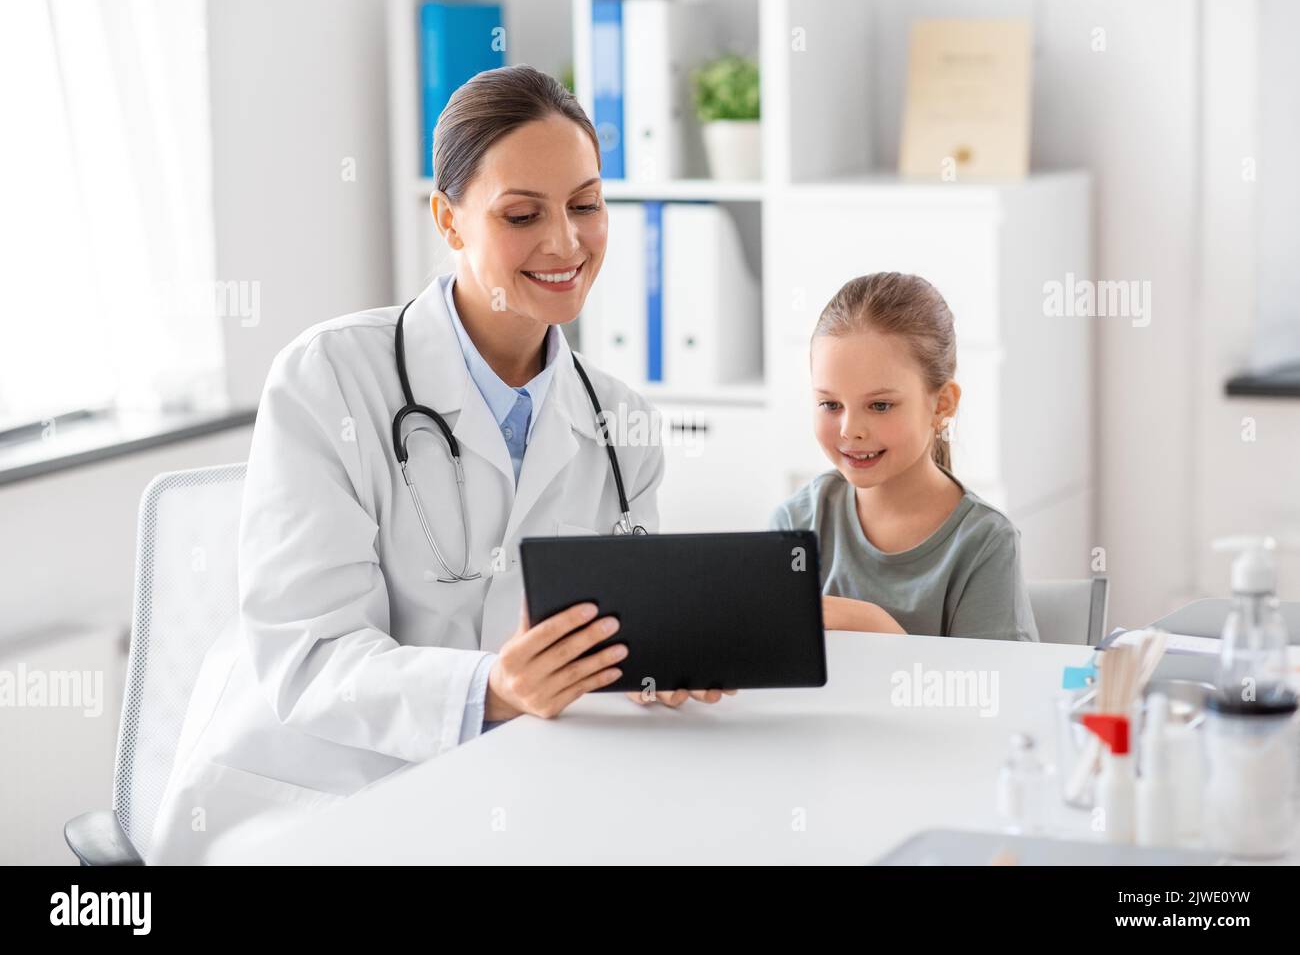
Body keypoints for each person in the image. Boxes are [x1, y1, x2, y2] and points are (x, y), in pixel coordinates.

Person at [150, 65, 728, 865]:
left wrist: (658, 664)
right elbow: (311, 658)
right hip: (319, 798)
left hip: (520, 788)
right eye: (522, 214)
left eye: (586, 205)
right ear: (449, 220)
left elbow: (601, 644)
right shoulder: (329, 378)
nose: (565, 242)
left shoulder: (619, 420)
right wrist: (491, 688)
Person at [771, 272, 1039, 641]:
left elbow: (996, 678)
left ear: (941, 405)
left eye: (880, 405)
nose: (850, 430)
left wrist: (879, 630)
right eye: (830, 404)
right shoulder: (796, 525)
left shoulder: (985, 544)